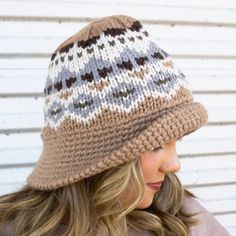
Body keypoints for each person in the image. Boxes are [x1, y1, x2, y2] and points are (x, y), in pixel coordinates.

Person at [0, 15, 230, 236]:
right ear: (94, 155)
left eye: (175, 141)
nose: (174, 165)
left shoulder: (184, 220)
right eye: (157, 145)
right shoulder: (12, 227)